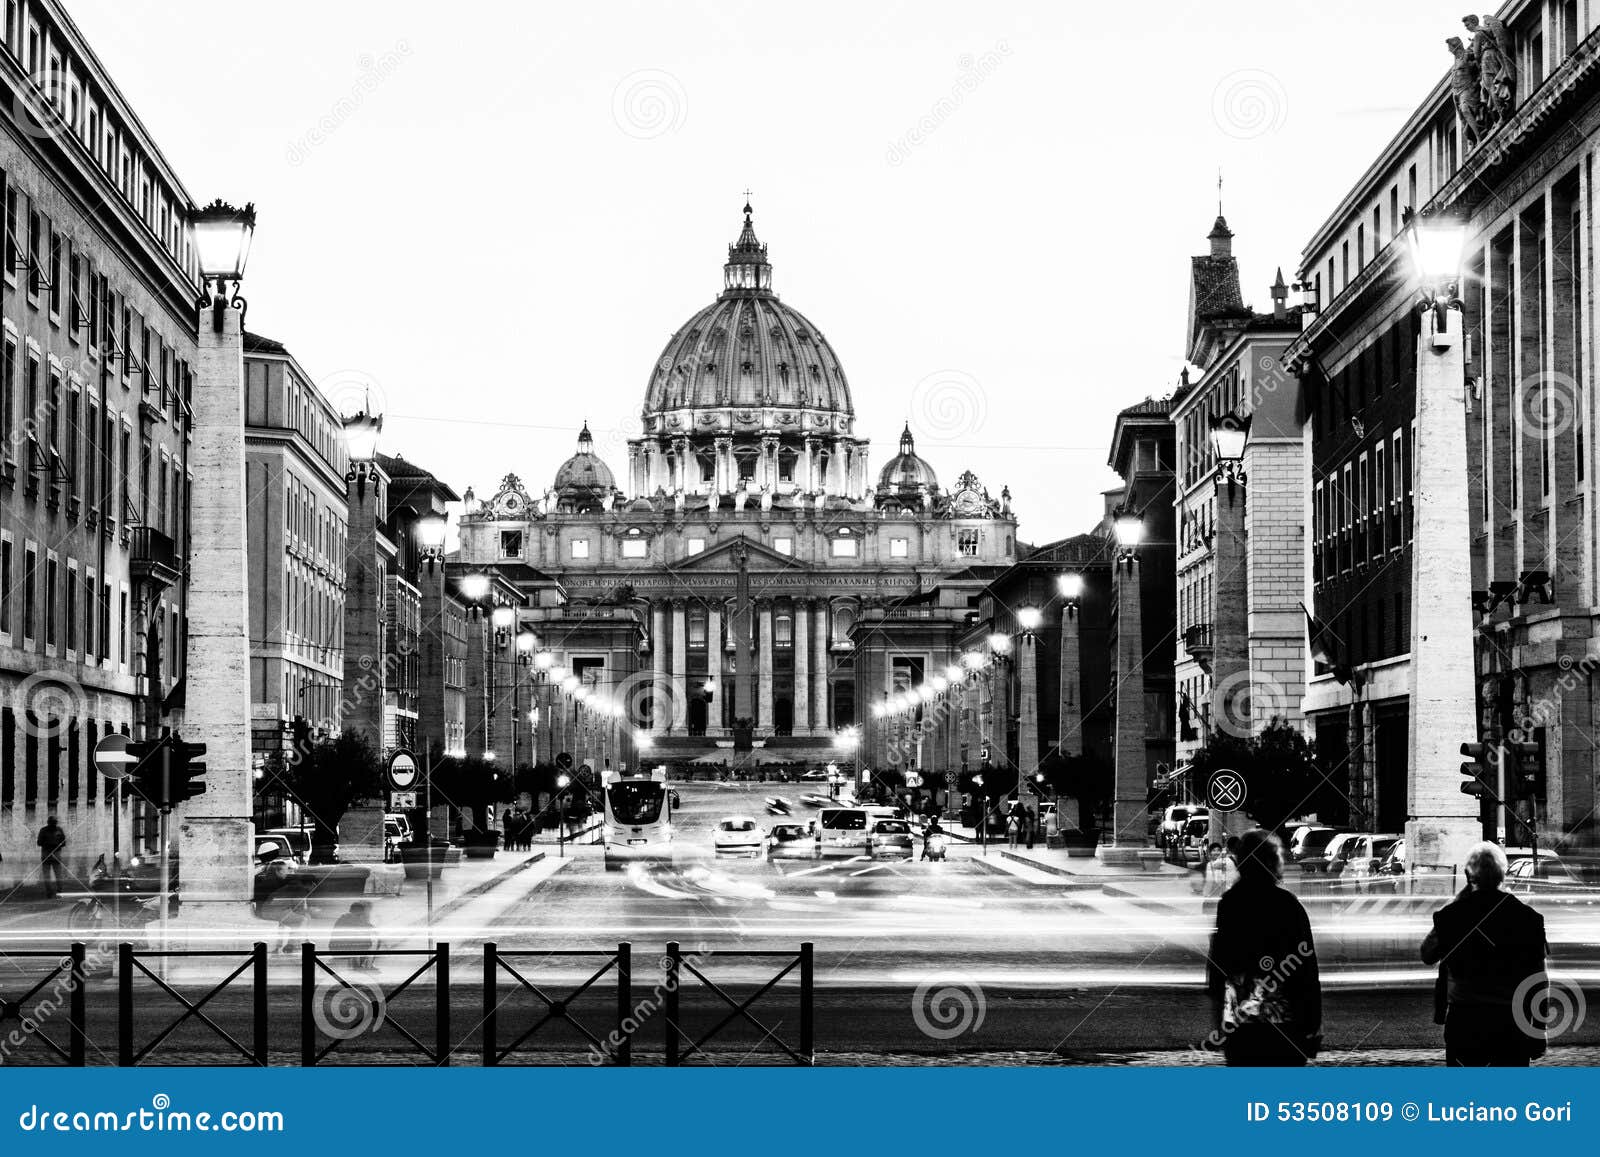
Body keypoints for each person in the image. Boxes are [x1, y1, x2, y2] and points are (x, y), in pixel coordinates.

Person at [1421, 841, 1547, 1066]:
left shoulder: (1452, 915)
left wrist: (1458, 899)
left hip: (1465, 1020)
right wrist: (1539, 1030)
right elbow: (1538, 980)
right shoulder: (1528, 918)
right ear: (1503, 874)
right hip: (1511, 1021)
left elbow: (1427, 954)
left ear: (1469, 875)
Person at [1208, 829, 1321, 1066]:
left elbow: (1219, 963)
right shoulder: (1287, 904)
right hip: (1284, 1022)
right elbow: (1305, 968)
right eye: (1278, 856)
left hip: (1240, 1024)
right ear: (1269, 862)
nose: (1282, 861)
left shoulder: (1230, 904)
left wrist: (1219, 1018)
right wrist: (1311, 1022)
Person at [332, 900, 377, 970]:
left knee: (364, 941)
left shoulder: (345, 917)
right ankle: (361, 965)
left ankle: (363, 964)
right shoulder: (352, 918)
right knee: (366, 942)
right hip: (340, 948)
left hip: (337, 947)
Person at [37, 815, 66, 897]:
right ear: (56, 823)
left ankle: (49, 893)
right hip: (56, 854)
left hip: (45, 854)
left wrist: (47, 844)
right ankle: (59, 891)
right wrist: (56, 845)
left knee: (46, 875)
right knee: (58, 874)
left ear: (48, 822)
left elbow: (39, 843)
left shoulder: (43, 830)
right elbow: (63, 843)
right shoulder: (59, 830)